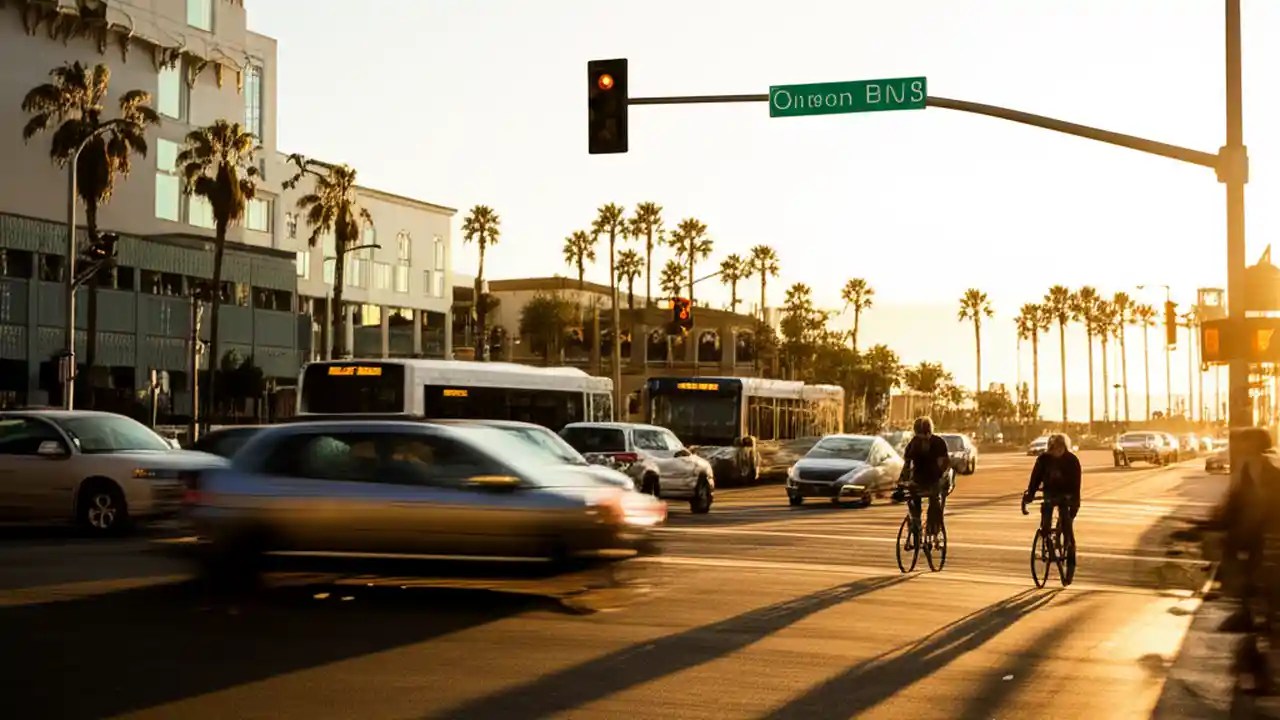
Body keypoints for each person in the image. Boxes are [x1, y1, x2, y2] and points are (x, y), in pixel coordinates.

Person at [1021, 433, 1082, 556]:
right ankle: (1047, 538)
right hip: (1050, 492)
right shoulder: (1043, 459)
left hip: (1068, 494)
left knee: (1066, 519)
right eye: (1054, 449)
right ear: (1050, 449)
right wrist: (1030, 495)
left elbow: (1076, 484)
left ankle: (1069, 545)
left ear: (1065, 448)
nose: (1057, 452)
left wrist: (1074, 502)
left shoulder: (1072, 460)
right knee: (1046, 515)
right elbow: (1035, 479)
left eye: (1060, 448)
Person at [897, 416, 950, 539]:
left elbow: (907, 465)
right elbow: (945, 463)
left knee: (916, 499)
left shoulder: (915, 443)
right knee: (931, 499)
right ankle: (924, 525)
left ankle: (920, 523)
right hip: (928, 480)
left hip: (925, 480)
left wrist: (902, 480)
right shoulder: (937, 442)